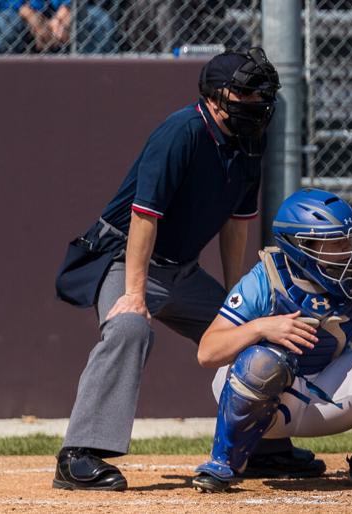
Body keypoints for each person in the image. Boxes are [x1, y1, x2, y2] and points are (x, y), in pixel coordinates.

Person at [53, 48, 322, 491]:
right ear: (215, 97)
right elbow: (144, 217)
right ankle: (78, 454)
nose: (256, 101)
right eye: (245, 93)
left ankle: (262, 446)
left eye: (261, 94)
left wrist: (238, 297)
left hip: (182, 270)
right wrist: (134, 294)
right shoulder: (181, 133)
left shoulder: (249, 139)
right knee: (128, 328)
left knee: (255, 332)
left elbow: (237, 223)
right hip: (125, 258)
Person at [191, 189, 352, 492]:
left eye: (350, 239)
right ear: (300, 247)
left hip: (324, 395)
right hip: (268, 398)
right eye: (335, 241)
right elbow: (207, 352)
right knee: (261, 363)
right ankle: (224, 463)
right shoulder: (265, 279)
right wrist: (261, 328)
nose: (349, 249)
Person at [0, 0, 117, 54]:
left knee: (98, 20)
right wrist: (27, 13)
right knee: (6, 24)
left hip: (59, 12)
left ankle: (94, 88)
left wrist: (67, 8)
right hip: (13, 12)